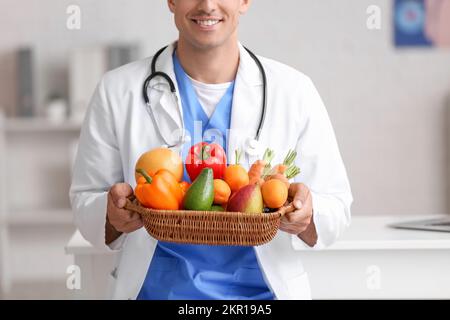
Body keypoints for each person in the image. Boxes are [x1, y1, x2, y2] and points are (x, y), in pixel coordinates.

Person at [70, 0, 353, 300]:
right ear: (171, 1)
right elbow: (86, 198)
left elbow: (336, 206)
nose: (207, 5)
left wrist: (306, 215)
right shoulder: (117, 91)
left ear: (244, 1)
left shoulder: (295, 92)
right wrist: (112, 215)